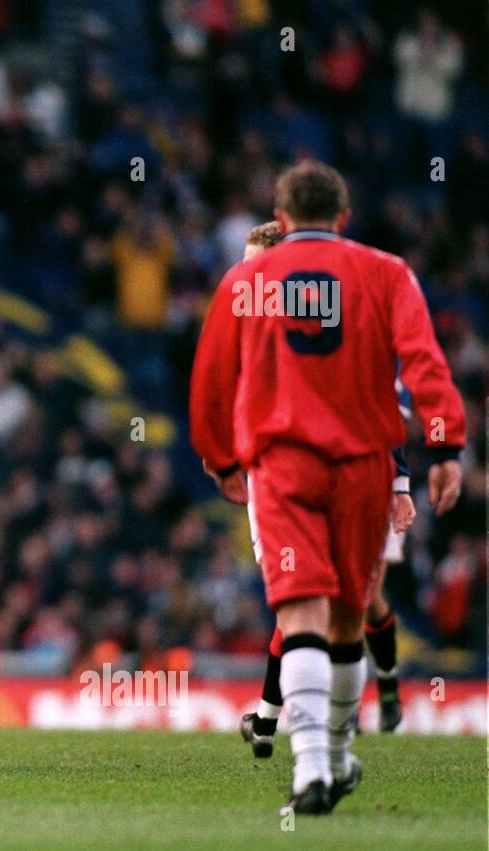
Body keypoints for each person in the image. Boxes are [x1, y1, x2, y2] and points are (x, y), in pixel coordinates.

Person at [190, 161, 465, 813]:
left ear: (280, 221)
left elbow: (209, 376)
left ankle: (313, 770)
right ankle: (334, 760)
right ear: (342, 218)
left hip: (284, 463)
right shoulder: (385, 273)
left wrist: (218, 457)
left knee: (300, 611)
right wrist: (445, 442)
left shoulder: (249, 279)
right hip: (366, 464)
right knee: (348, 614)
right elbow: (424, 362)